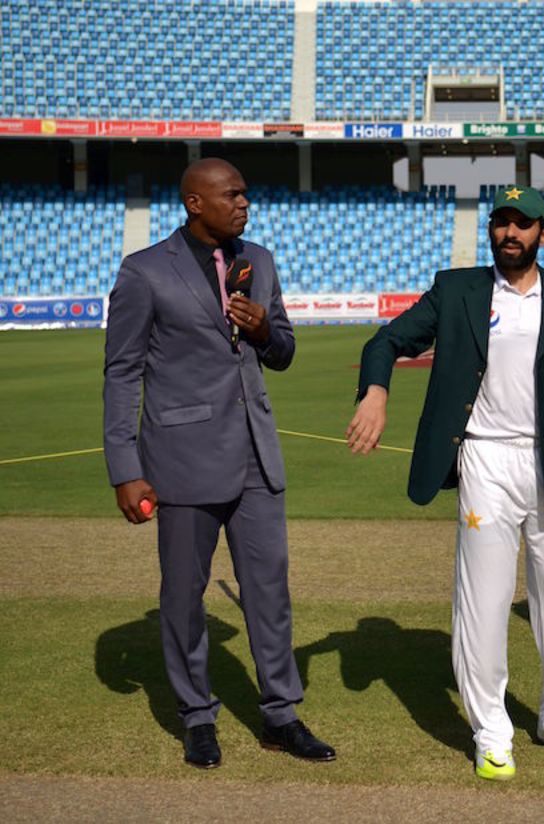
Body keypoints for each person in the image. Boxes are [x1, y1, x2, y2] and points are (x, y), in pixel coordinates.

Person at [346, 185, 544, 782]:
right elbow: (386, 340)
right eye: (501, 222)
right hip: (485, 460)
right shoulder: (457, 289)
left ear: (543, 233)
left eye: (523, 223)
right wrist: (375, 391)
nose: (509, 233)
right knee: (484, 603)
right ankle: (492, 731)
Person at [103, 158, 335, 769]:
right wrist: (125, 467)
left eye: (245, 193)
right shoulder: (145, 271)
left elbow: (283, 351)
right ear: (194, 203)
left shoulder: (258, 260)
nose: (243, 203)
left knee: (269, 592)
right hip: (182, 460)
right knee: (184, 596)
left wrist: (262, 332)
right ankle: (197, 716)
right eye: (231, 194)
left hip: (257, 455)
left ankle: (281, 714)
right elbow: (122, 372)